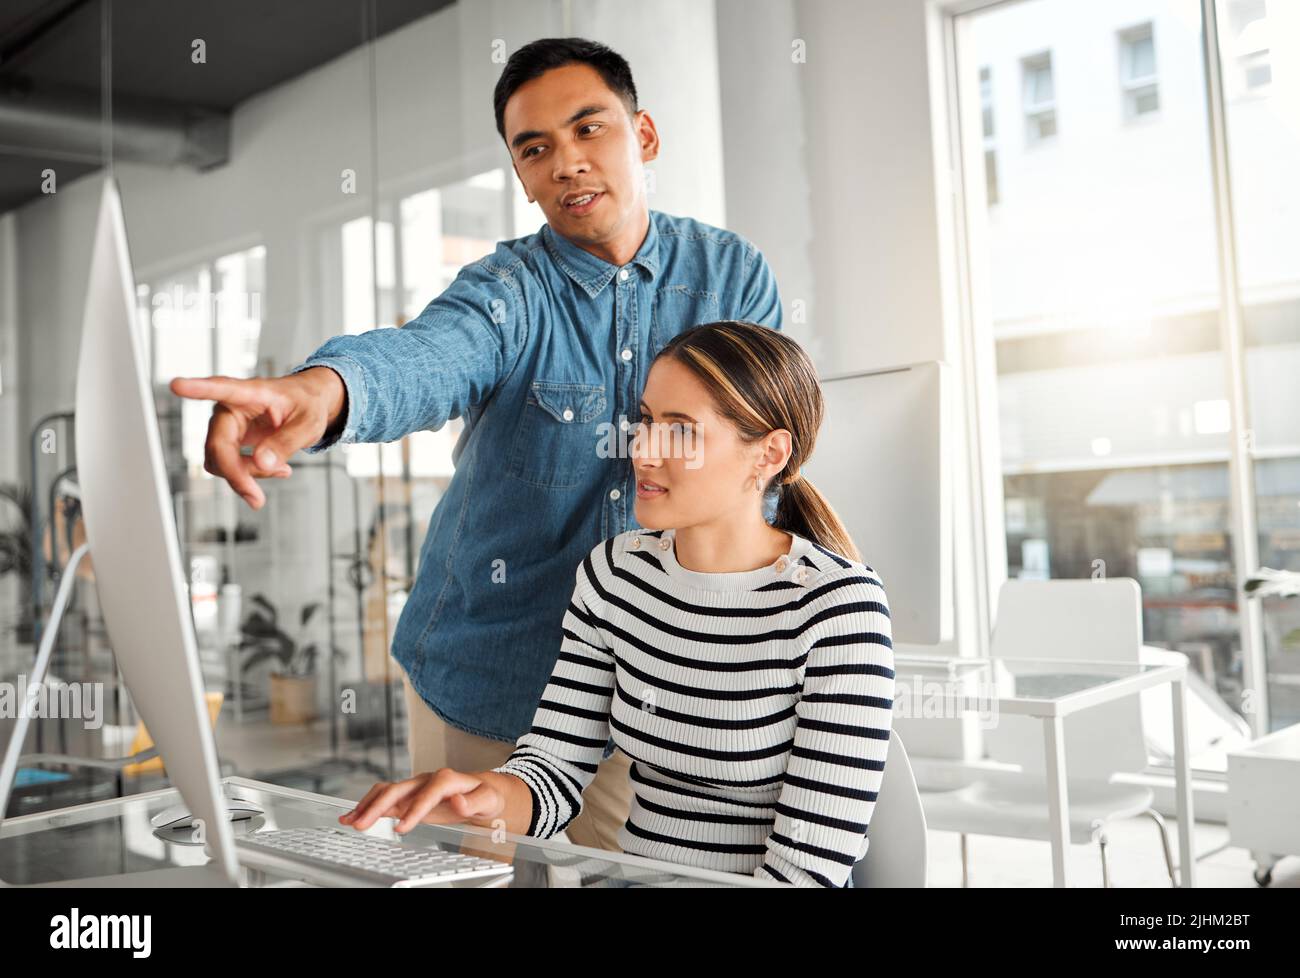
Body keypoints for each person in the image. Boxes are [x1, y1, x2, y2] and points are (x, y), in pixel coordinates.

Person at [170, 38, 783, 853]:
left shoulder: (732, 277)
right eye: (535, 148)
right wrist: (323, 392)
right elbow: (430, 356)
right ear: (522, 176)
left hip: (657, 688)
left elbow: (752, 457)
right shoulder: (506, 290)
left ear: (643, 135)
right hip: (491, 682)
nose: (566, 162)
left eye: (588, 129)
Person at [340, 321, 895, 888]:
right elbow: (553, 770)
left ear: (769, 453)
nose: (643, 450)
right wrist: (483, 797)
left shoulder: (838, 608)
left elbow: (805, 873)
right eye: (647, 421)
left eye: (681, 431)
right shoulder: (616, 575)